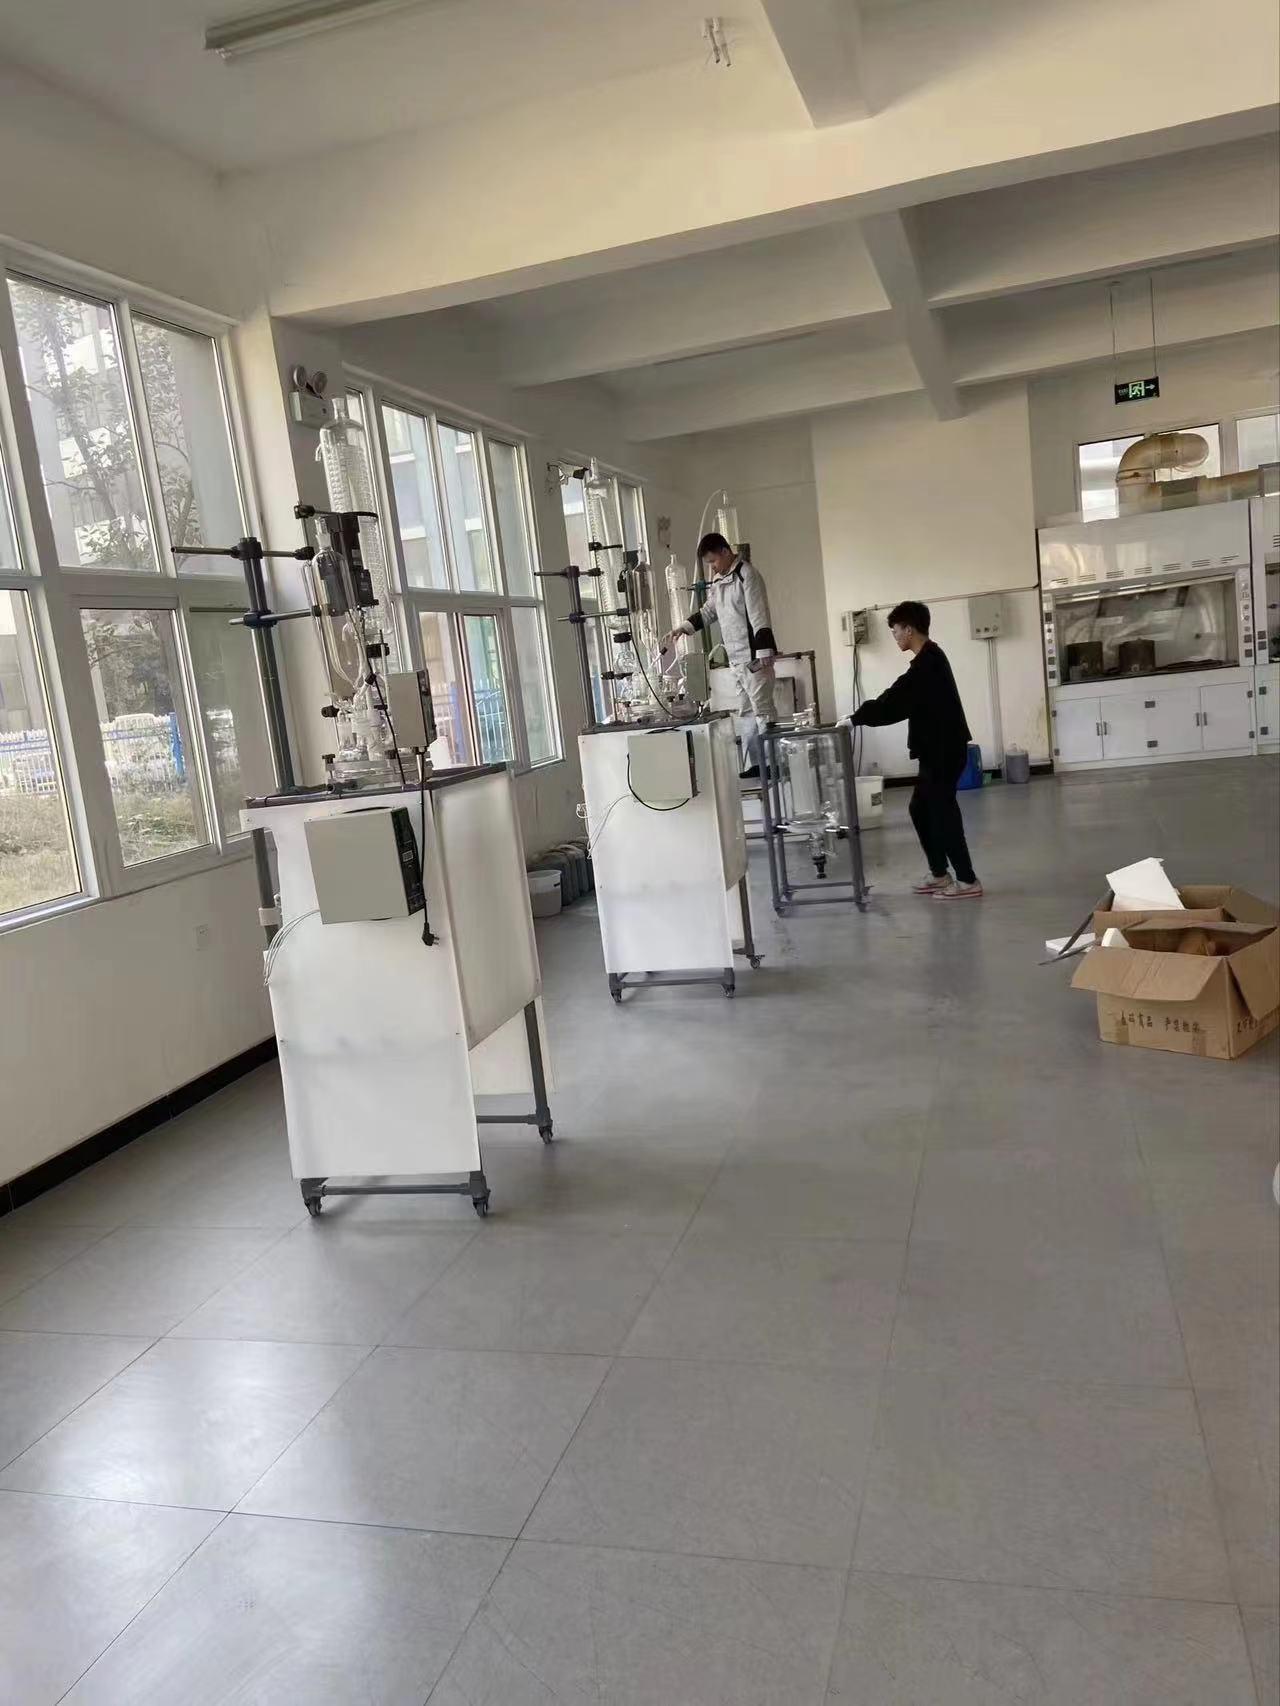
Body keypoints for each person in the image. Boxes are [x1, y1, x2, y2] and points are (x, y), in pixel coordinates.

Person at [849, 600, 982, 898]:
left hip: (944, 751)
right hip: (936, 749)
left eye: (896, 630)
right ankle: (939, 874)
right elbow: (899, 695)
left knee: (942, 811)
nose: (895, 636)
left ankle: (967, 880)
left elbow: (896, 700)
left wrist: (856, 718)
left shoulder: (928, 663)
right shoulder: (927, 659)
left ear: (909, 629)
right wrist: (859, 716)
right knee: (920, 808)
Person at [664, 532, 778, 777]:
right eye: (709, 563)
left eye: (713, 561)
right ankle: (757, 764)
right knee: (746, 712)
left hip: (754, 657)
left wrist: (764, 651)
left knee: (762, 710)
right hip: (736, 658)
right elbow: (709, 611)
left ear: (726, 552)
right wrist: (683, 628)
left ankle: (773, 763)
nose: (712, 567)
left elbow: (758, 614)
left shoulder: (747, 575)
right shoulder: (719, 581)